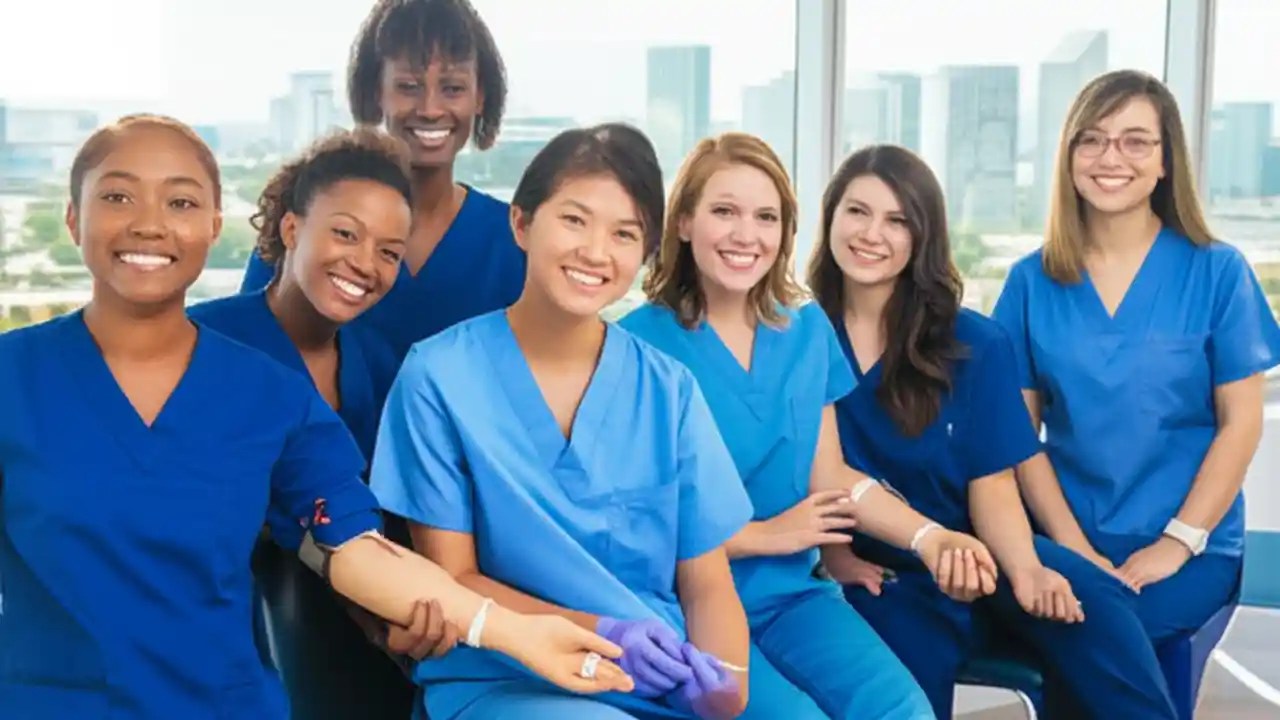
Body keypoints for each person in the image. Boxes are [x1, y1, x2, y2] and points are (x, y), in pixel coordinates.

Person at [0, 113, 633, 719]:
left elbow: (352, 547)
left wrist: (514, 633)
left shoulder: (270, 394)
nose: (149, 224)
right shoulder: (14, 377)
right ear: (73, 216)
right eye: (117, 197)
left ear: (215, 225)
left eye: (181, 202)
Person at [371, 123, 753, 720]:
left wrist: (726, 687)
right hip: (506, 678)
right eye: (575, 220)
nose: (596, 252)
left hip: (653, 682)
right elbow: (454, 578)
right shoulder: (439, 377)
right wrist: (603, 633)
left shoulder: (668, 390)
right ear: (522, 224)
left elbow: (706, 581)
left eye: (624, 233)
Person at [619, 132, 996, 719]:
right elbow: (632, 521)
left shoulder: (804, 329)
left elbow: (831, 476)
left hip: (795, 597)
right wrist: (764, 535)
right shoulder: (635, 348)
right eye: (725, 211)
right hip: (686, 605)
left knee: (903, 709)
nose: (746, 235)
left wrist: (930, 537)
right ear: (685, 222)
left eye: (766, 217)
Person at [810, 143, 1180, 719]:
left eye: (897, 220)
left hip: (984, 545)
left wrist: (1025, 569)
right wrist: (835, 555)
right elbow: (816, 471)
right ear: (830, 217)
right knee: (900, 663)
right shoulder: (800, 339)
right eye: (857, 211)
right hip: (884, 566)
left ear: (922, 237)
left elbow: (994, 483)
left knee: (1099, 609)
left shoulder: (974, 344)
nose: (871, 234)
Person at [992, 68, 1280, 709]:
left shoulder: (1218, 272)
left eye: (1135, 141)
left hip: (1191, 544)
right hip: (1066, 534)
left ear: (1165, 161)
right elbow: (1017, 438)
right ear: (1068, 157)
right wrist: (1072, 549)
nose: (1110, 157)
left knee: (1098, 633)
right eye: (1092, 139)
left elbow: (1240, 425)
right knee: (1079, 621)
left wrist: (1177, 542)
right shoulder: (1031, 282)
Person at [190, 128, 440, 719]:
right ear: (291, 228)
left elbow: (373, 522)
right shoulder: (200, 342)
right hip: (224, 624)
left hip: (353, 629)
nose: (365, 263)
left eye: (389, 252)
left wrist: (403, 611)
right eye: (345, 233)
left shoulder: (381, 363)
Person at [240, 0, 524, 360]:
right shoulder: (308, 222)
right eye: (408, 86)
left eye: (453, 88)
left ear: (480, 96)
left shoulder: (515, 242)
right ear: (377, 91)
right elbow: (245, 350)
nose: (430, 109)